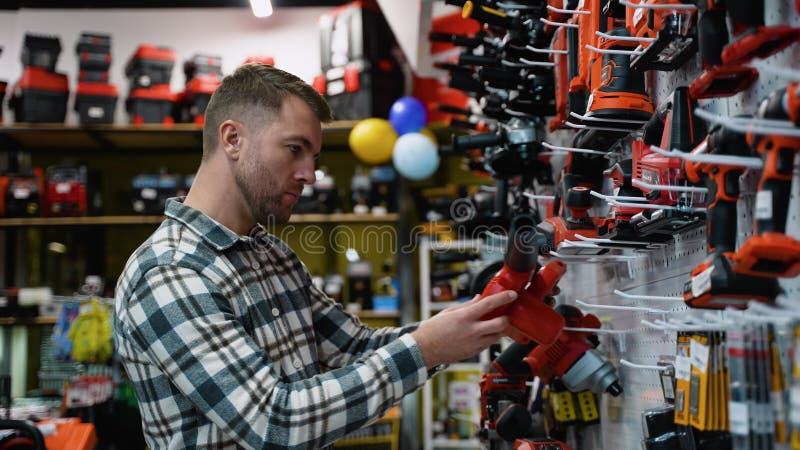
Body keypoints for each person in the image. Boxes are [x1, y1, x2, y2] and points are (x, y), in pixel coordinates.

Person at [114, 63, 515, 450]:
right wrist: (428, 347)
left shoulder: (273, 256)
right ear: (233, 139)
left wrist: (472, 322)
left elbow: (357, 348)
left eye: (314, 158)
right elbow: (275, 424)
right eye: (294, 149)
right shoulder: (169, 271)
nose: (309, 174)